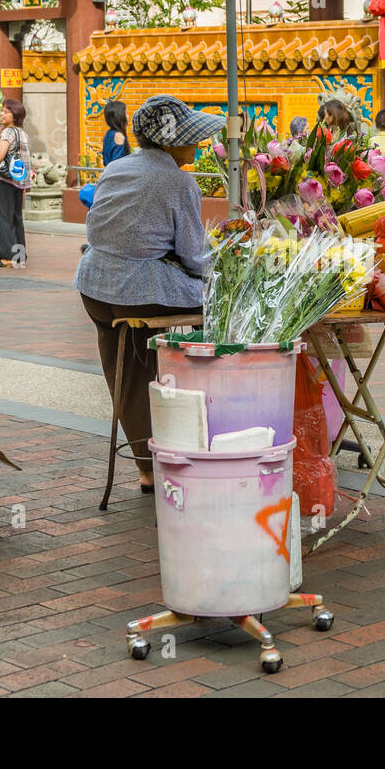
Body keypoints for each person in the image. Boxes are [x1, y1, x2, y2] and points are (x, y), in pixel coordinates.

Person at [75, 95, 222, 493]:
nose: (197, 144)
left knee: (127, 374)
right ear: (174, 142)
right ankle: (198, 447)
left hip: (95, 287)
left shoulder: (117, 167)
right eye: (191, 137)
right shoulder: (179, 181)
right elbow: (196, 257)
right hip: (139, 292)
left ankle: (146, 467)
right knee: (221, 313)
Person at [0, 98, 31, 269]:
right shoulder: (22, 133)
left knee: (4, 218)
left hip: (4, 180)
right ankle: (20, 256)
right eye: (2, 111)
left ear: (15, 114)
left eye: (6, 111)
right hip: (18, 181)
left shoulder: (8, 133)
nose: (2, 114)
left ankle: (7, 256)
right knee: (16, 218)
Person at [102, 100, 129, 164]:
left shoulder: (109, 133)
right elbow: (117, 162)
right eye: (126, 113)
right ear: (119, 115)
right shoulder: (118, 135)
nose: (128, 116)